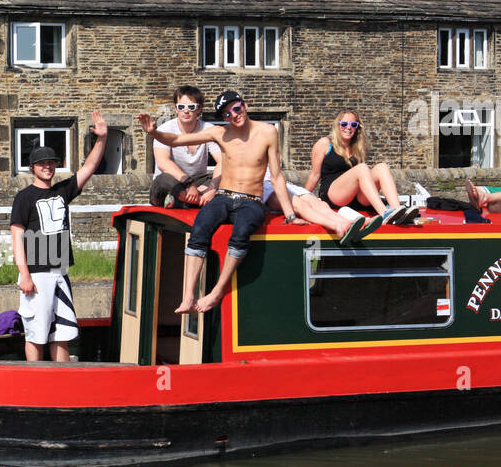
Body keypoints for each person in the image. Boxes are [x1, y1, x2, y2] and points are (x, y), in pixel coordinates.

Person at [138, 90, 294, 314]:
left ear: (244, 105)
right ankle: (189, 294)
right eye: (227, 114)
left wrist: (289, 215)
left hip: (251, 200)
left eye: (236, 108)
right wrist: (154, 132)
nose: (233, 115)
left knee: (240, 235)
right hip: (224, 197)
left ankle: (217, 291)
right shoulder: (220, 133)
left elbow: (277, 176)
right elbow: (177, 139)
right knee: (199, 230)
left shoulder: (268, 132)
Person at [10, 110, 110, 361]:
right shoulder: (24, 197)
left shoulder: (62, 191)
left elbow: (89, 167)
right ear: (32, 167)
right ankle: (35, 379)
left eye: (52, 162)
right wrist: (24, 274)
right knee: (36, 332)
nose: (48, 166)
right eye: (43, 163)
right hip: (37, 273)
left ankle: (62, 379)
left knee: (62, 331)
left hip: (60, 272)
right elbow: (17, 236)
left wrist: (102, 139)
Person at [306, 110, 413, 225]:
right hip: (334, 194)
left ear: (357, 128)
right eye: (344, 124)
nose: (348, 127)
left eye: (353, 125)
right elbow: (314, 175)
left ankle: (397, 211)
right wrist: (302, 198)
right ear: (337, 125)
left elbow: (364, 179)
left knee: (381, 167)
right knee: (362, 168)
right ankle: (384, 213)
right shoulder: (325, 143)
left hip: (355, 198)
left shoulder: (359, 148)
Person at [149, 86, 221, 208]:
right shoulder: (165, 130)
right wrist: (189, 183)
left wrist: (212, 188)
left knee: (218, 177)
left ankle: (184, 201)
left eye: (191, 107)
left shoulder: (209, 130)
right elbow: (163, 162)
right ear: (176, 109)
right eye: (181, 107)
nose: (186, 111)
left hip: (198, 182)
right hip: (172, 182)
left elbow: (222, 161)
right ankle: (193, 201)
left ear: (199, 109)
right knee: (164, 178)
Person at [264, 176, 384, 245]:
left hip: (279, 181)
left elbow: (275, 173)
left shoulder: (268, 134)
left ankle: (351, 223)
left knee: (322, 205)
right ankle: (339, 226)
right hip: (263, 186)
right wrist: (291, 217)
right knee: (301, 205)